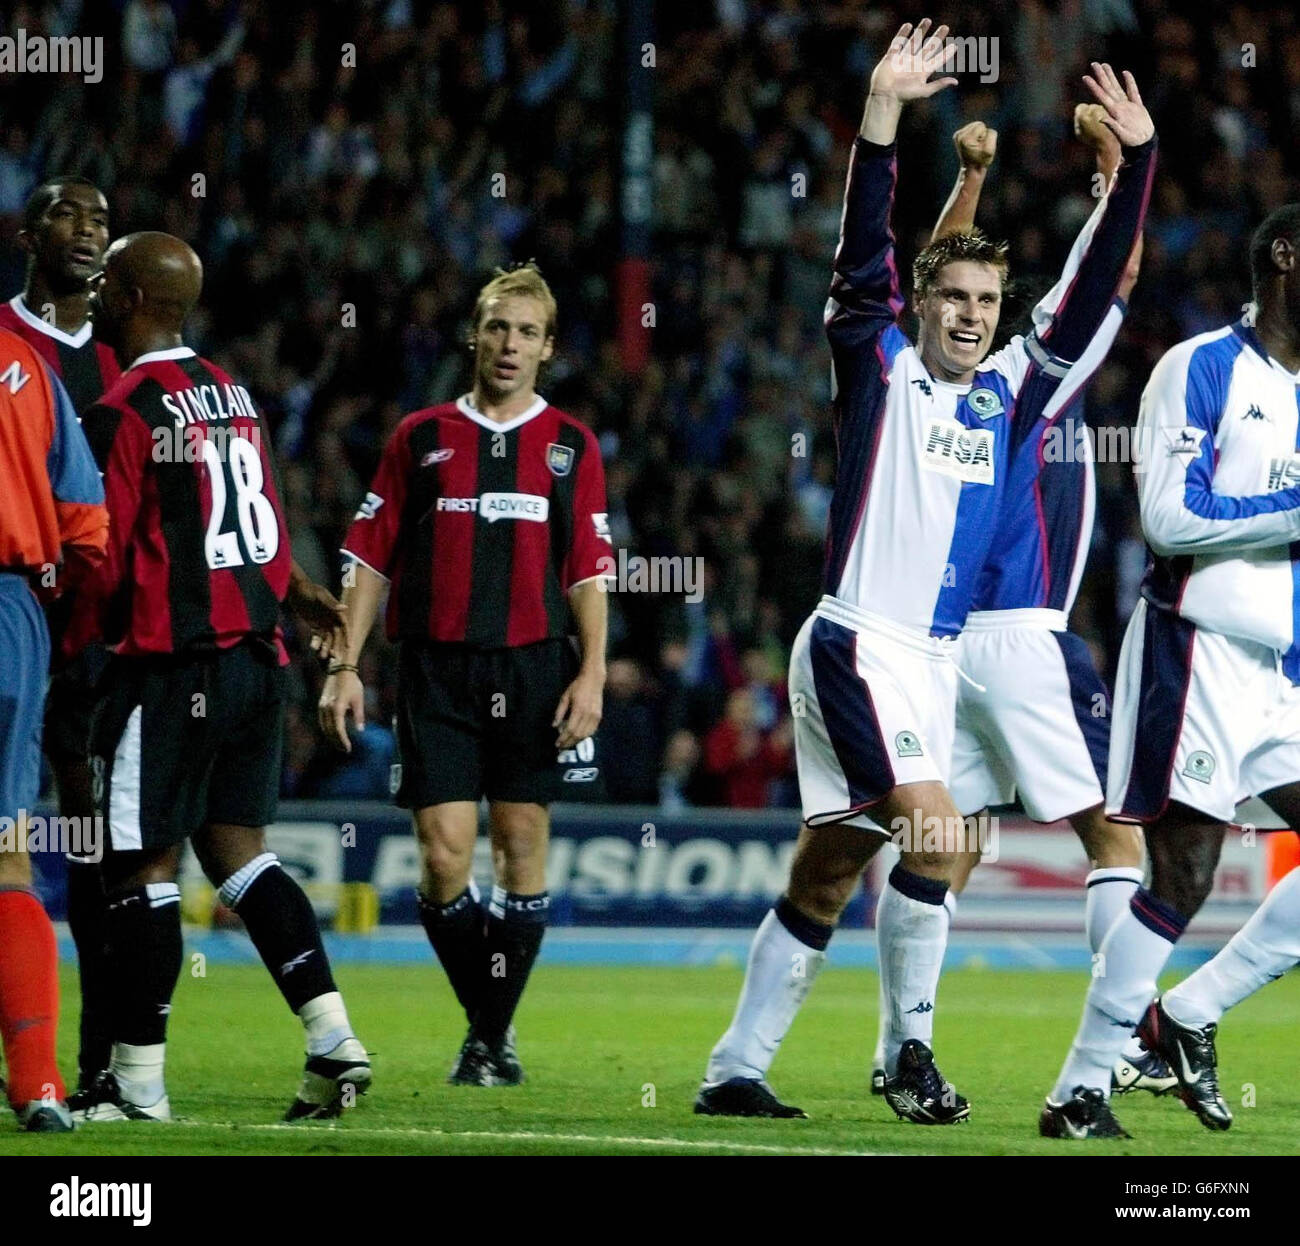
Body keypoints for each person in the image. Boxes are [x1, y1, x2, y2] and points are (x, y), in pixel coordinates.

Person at [695, 21, 1153, 1124]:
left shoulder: (1013, 398)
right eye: (952, 297)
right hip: (855, 641)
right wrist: (882, 119)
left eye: (986, 305)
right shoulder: (878, 366)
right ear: (922, 303)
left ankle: (731, 1069)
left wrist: (1134, 172)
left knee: (827, 870)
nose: (969, 315)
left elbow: (1089, 298)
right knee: (942, 838)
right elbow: (862, 255)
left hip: (929, 666)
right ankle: (907, 1053)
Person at [868, 110, 1165, 1098]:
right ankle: (1118, 1044)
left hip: (936, 643)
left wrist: (976, 176)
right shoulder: (1030, 385)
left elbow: (938, 279)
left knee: (946, 845)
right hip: (1019, 634)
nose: (970, 310)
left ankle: (899, 1047)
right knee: (1118, 835)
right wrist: (1124, 178)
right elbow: (1099, 278)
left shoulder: (928, 385)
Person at [70, 232, 369, 1122]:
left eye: (102, 285)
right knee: (241, 856)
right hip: (254, 666)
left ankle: (138, 1088)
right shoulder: (234, 394)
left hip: (168, 669)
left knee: (137, 870)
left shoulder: (124, 410)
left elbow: (105, 560)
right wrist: (306, 597)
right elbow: (263, 526)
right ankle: (333, 1038)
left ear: (125, 300)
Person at [320, 261, 611, 1087]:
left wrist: (590, 674)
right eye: (496, 327)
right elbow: (369, 559)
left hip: (532, 670)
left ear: (547, 347)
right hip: (435, 671)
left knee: (522, 850)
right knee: (444, 859)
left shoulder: (570, 445)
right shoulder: (420, 437)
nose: (509, 344)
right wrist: (346, 664)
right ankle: (492, 1031)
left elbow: (589, 571)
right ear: (474, 336)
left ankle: (485, 1042)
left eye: (526, 332)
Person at [1043, 202, 1300, 1138]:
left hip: (1283, 671)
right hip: (1194, 650)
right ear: (1283, 255)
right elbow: (1169, 520)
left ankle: (1189, 1013)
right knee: (1183, 876)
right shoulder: (1198, 369)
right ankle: (1081, 1088)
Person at [0, 176, 121, 1098]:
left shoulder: (116, 368)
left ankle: (95, 1065)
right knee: (18, 848)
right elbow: (88, 524)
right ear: (27, 232)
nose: (87, 232)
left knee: (98, 851)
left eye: (102, 221)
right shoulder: (25, 360)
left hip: (87, 648)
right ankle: (46, 1075)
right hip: (32, 626)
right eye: (68, 215)